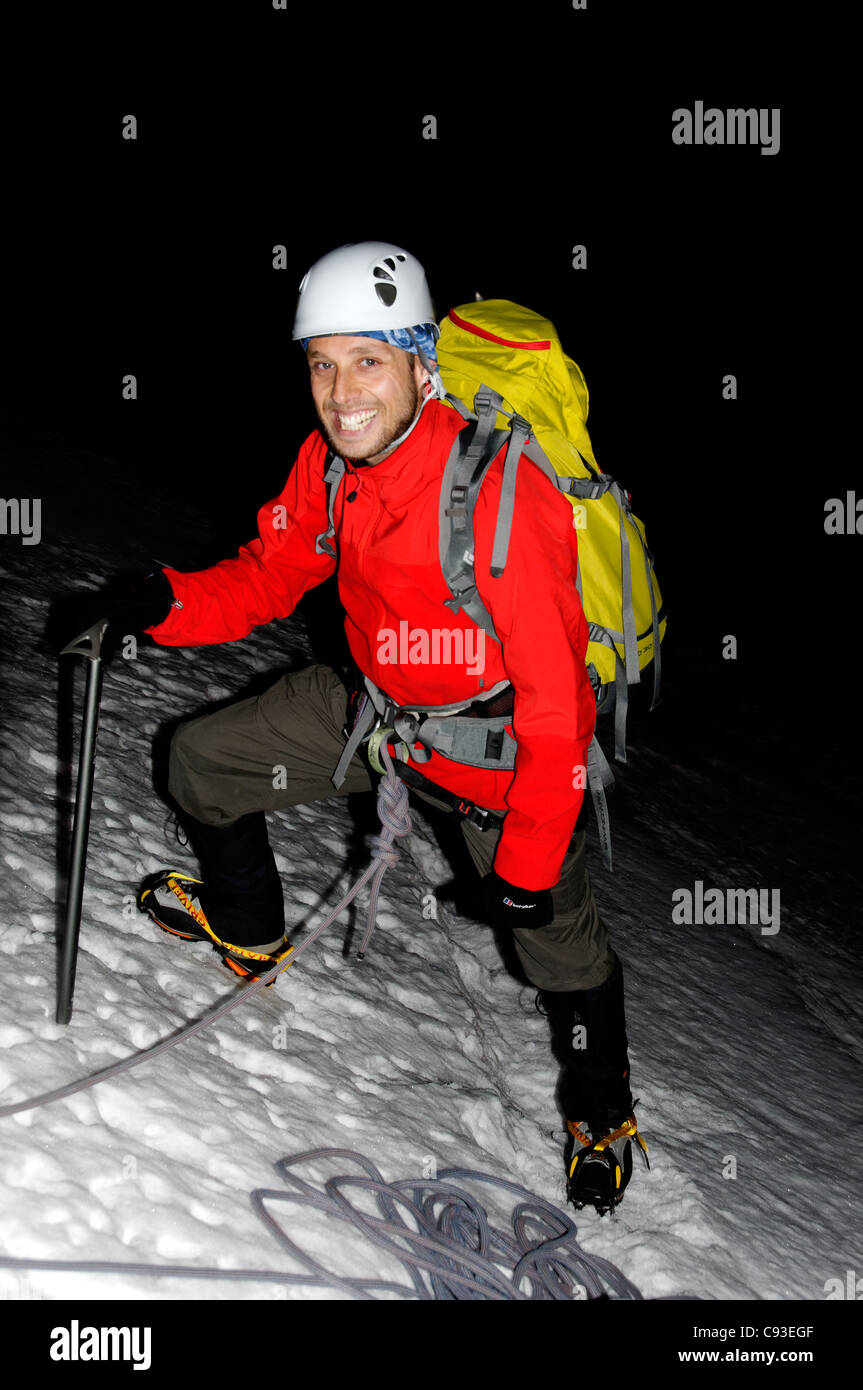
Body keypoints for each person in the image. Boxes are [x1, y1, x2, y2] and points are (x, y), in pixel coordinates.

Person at [91, 242, 647, 1213]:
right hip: (380, 715)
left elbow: (558, 704)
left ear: (420, 365)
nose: (339, 391)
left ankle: (600, 1113)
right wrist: (162, 604)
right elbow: (270, 574)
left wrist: (523, 858)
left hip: (498, 754)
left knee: (558, 949)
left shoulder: (498, 492)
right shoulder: (330, 465)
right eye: (320, 362)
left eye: (366, 360)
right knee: (203, 761)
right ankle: (250, 931)